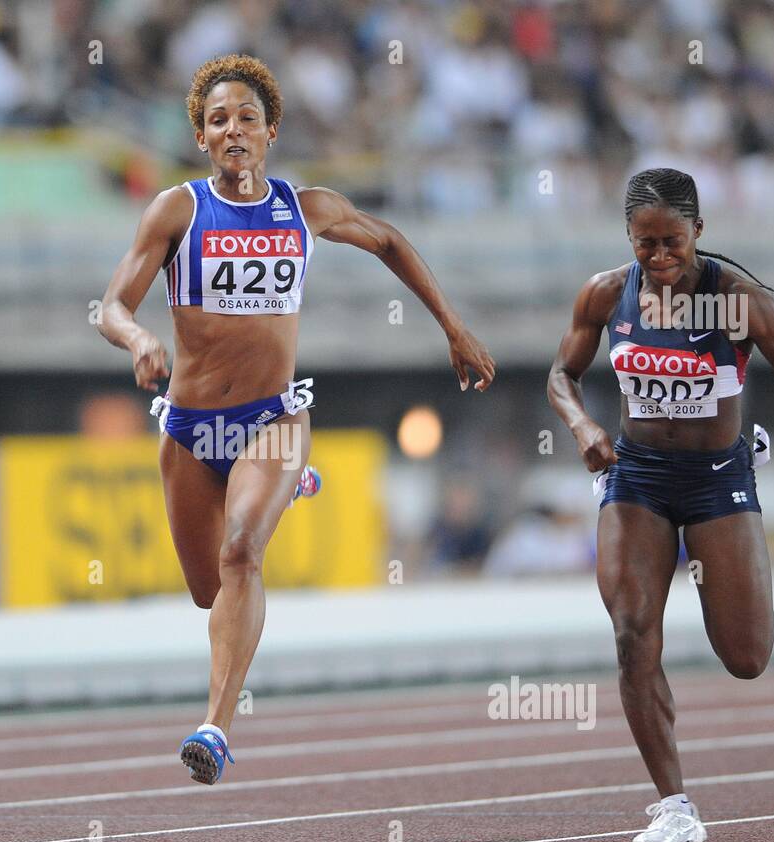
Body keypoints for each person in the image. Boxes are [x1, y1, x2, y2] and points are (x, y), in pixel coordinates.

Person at [100, 54, 494, 784]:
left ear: (271, 130)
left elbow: (391, 241)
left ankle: (216, 727)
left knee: (242, 553)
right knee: (207, 590)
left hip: (271, 417)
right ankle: (292, 484)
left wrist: (452, 326)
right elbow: (112, 304)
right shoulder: (176, 211)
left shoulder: (304, 208)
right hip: (189, 426)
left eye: (247, 117)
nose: (234, 130)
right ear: (201, 137)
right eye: (218, 120)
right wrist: (139, 338)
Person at [547, 167, 774, 842]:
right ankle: (674, 805)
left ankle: (746, 448)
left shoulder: (736, 300)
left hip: (719, 476)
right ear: (628, 240)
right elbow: (561, 375)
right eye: (644, 245)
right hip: (638, 475)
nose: (659, 260)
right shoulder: (606, 295)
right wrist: (582, 425)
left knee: (746, 655)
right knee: (633, 632)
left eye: (672, 243)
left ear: (699, 232)